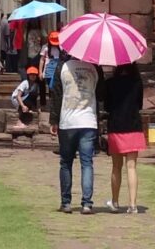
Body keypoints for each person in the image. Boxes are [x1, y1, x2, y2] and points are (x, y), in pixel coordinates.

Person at [99, 61, 148, 214]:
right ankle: (133, 204)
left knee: (116, 167)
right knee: (132, 166)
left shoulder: (111, 83)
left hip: (116, 127)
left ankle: (115, 201)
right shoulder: (137, 83)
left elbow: (106, 106)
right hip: (133, 127)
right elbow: (139, 105)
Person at [56, 52, 100, 214]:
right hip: (88, 121)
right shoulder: (94, 68)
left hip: (68, 121)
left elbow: (56, 95)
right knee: (87, 163)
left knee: (66, 163)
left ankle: (66, 202)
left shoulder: (63, 67)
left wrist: (53, 120)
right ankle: (87, 203)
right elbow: (100, 93)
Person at [41, 30, 64, 135]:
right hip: (49, 69)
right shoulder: (46, 48)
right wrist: (41, 71)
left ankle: (54, 105)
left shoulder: (62, 48)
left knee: (57, 88)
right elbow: (42, 60)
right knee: (51, 88)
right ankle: (52, 103)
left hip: (58, 68)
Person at [10, 64, 43, 131]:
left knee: (33, 94)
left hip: (25, 99)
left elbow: (35, 97)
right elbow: (18, 96)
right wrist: (22, 106)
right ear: (28, 75)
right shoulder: (25, 83)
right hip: (17, 99)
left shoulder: (35, 85)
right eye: (31, 74)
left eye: (34, 75)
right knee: (27, 101)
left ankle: (30, 108)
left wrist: (37, 108)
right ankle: (19, 121)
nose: (33, 76)